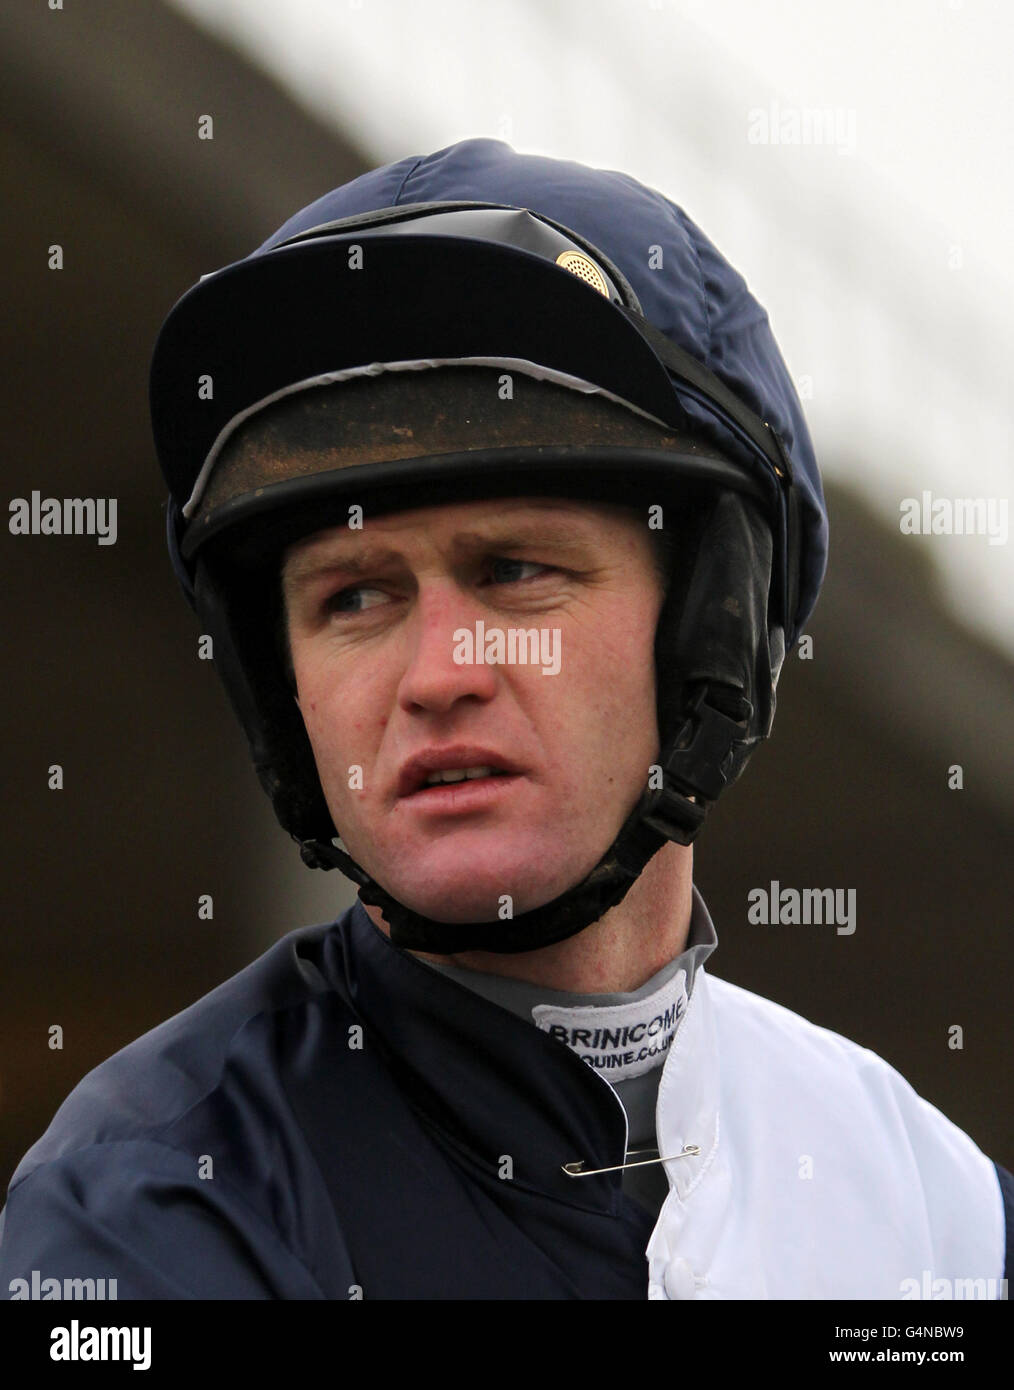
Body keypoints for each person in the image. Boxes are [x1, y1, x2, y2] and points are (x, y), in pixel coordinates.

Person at [1, 138, 1009, 1301]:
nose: (439, 674)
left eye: (518, 571)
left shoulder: (939, 1211)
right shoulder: (152, 1201)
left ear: (714, 628)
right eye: (356, 597)